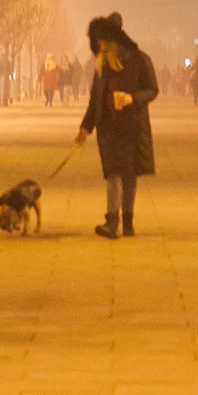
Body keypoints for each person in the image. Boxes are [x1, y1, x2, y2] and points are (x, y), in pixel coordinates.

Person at [76, 15, 158, 239]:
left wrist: (132, 98)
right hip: (108, 128)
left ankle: (128, 221)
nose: (100, 45)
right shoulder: (102, 64)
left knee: (129, 175)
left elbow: (152, 90)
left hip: (132, 126)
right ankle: (112, 221)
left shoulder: (140, 60)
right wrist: (85, 128)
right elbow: (95, 101)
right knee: (113, 173)